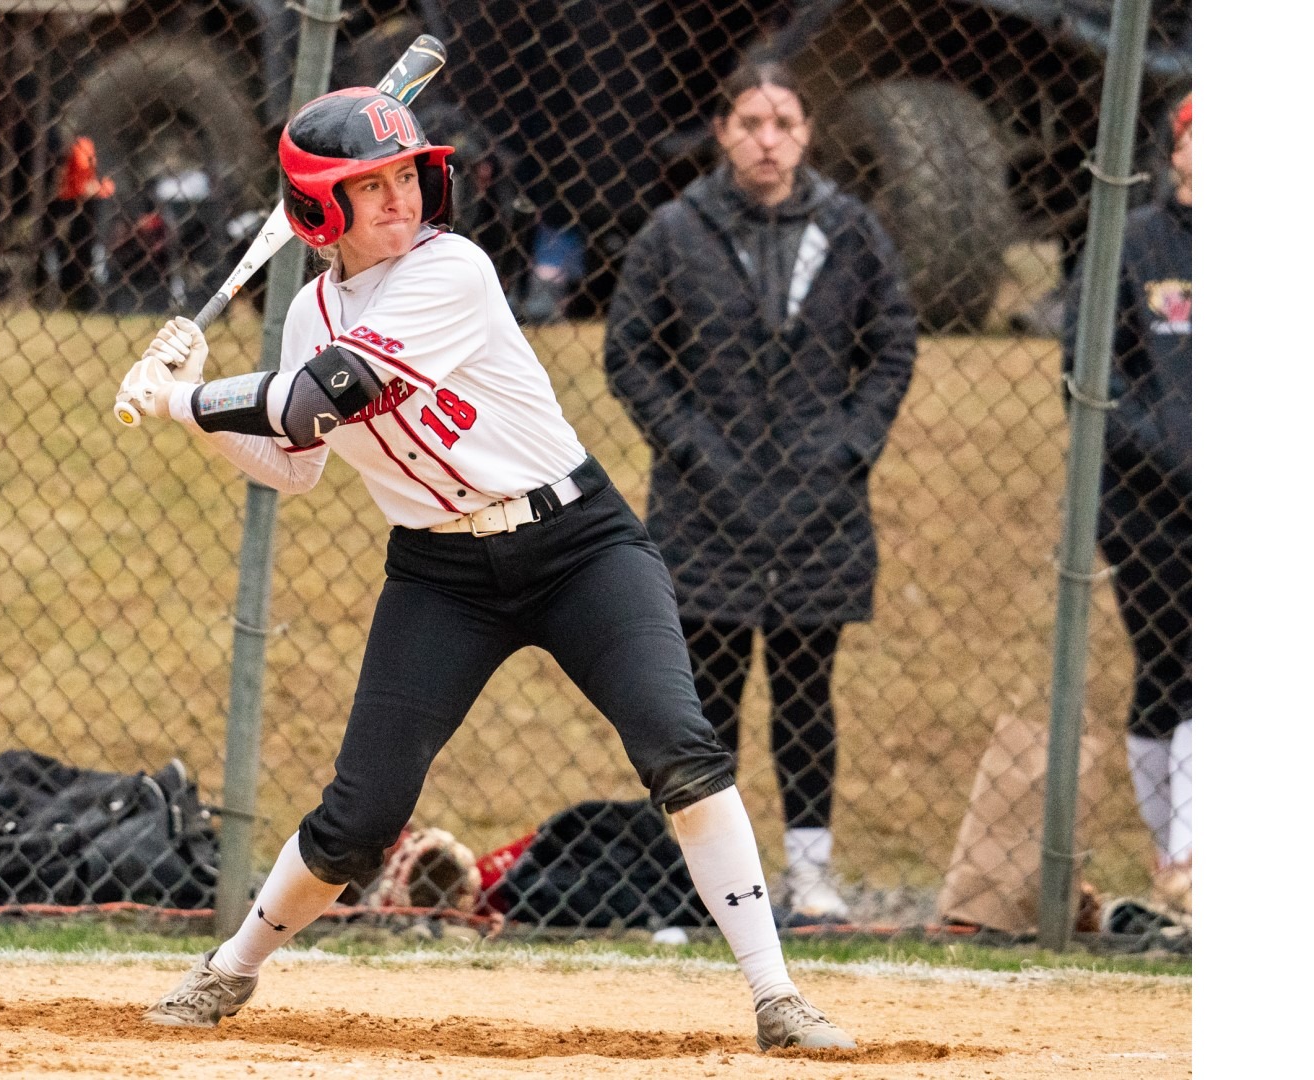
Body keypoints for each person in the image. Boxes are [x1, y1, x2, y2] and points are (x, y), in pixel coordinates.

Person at [113, 86, 856, 1051]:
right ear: (319, 213)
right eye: (368, 187)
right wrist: (201, 418)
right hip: (441, 575)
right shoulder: (307, 316)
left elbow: (322, 397)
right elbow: (290, 467)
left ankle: (777, 997)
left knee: (679, 746)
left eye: (406, 177)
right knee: (360, 816)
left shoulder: (451, 270)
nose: (400, 201)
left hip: (578, 545)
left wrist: (184, 401)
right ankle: (229, 971)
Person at [601, 62, 917, 925]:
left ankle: (809, 872)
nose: (766, 139)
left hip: (821, 508)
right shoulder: (676, 231)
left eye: (783, 122)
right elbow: (630, 353)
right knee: (705, 698)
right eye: (749, 122)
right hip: (708, 506)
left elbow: (893, 344)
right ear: (722, 132)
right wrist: (696, 447)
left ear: (808, 132)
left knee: (807, 690)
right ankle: (716, 882)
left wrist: (848, 448)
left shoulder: (850, 229)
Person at [1064, 93, 1192, 915]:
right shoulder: (1133, 244)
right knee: (1166, 667)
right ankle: (1177, 856)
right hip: (1146, 501)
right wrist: (1178, 455)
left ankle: (1186, 859)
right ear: (1175, 150)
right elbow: (1091, 376)